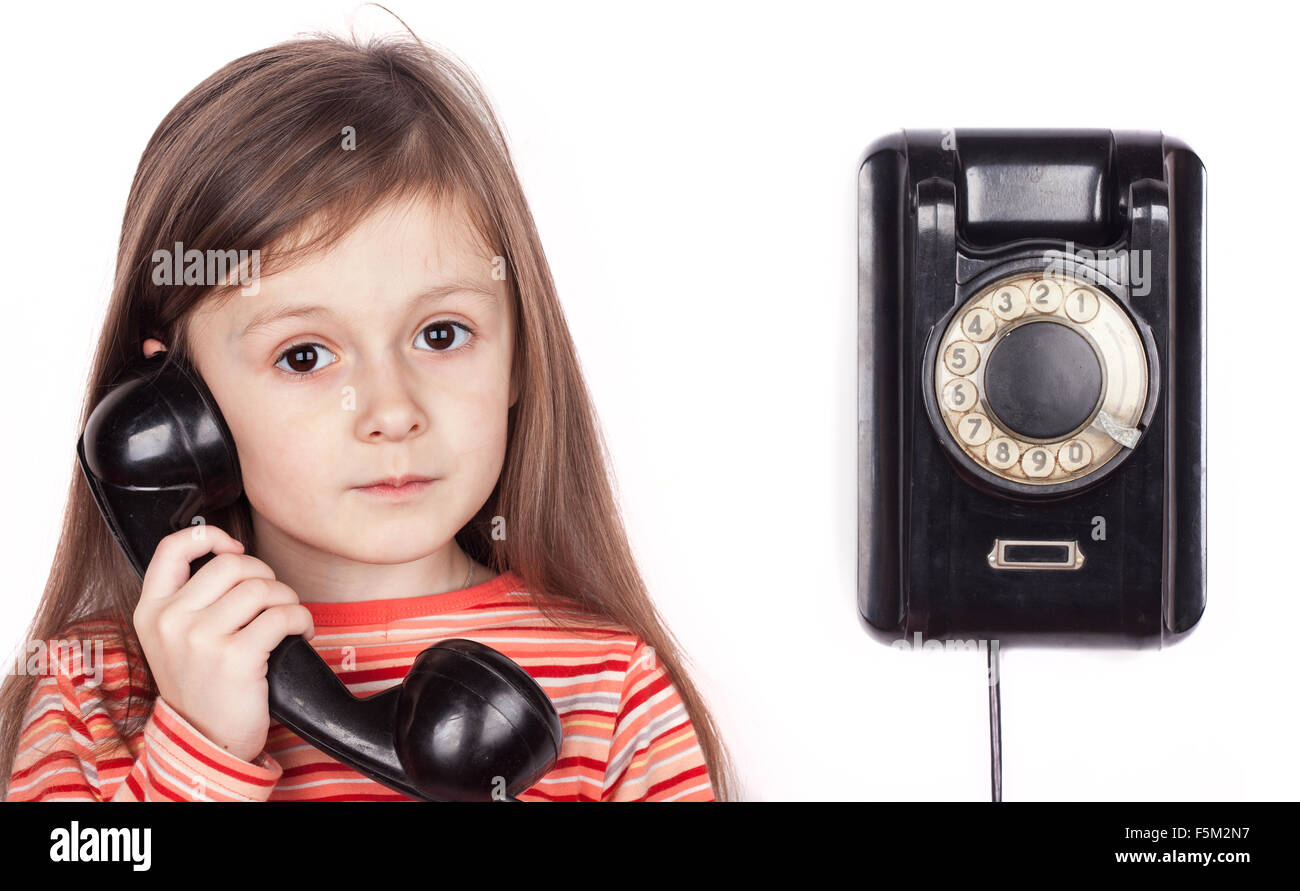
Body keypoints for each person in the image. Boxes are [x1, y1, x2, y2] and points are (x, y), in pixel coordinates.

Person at [0, 29, 733, 802]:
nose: (390, 412)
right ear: (175, 408)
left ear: (519, 355)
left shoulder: (610, 694)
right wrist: (198, 752)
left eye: (440, 335)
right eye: (306, 356)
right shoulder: (95, 694)